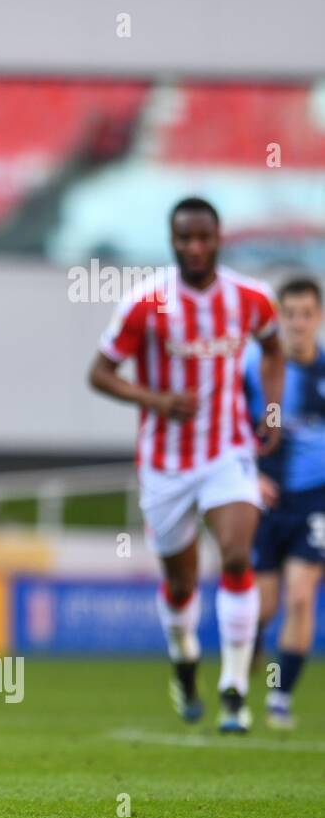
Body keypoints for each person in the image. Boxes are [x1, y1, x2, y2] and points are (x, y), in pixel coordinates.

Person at [88, 197, 283, 733]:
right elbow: (99, 373)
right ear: (173, 242)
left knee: (238, 556)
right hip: (165, 464)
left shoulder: (250, 298)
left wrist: (269, 412)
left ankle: (237, 689)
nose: (195, 247)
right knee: (182, 582)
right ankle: (184, 660)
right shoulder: (145, 304)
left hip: (228, 452)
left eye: (204, 237)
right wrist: (154, 399)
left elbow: (273, 349)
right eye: (184, 238)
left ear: (220, 239)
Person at [244, 277, 325, 730]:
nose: (297, 323)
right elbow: (233, 426)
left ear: (319, 318)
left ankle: (280, 697)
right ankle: (251, 639)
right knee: (265, 605)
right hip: (266, 498)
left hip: (316, 500)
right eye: (289, 314)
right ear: (279, 318)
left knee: (300, 595)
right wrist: (250, 474)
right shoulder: (257, 366)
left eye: (306, 314)